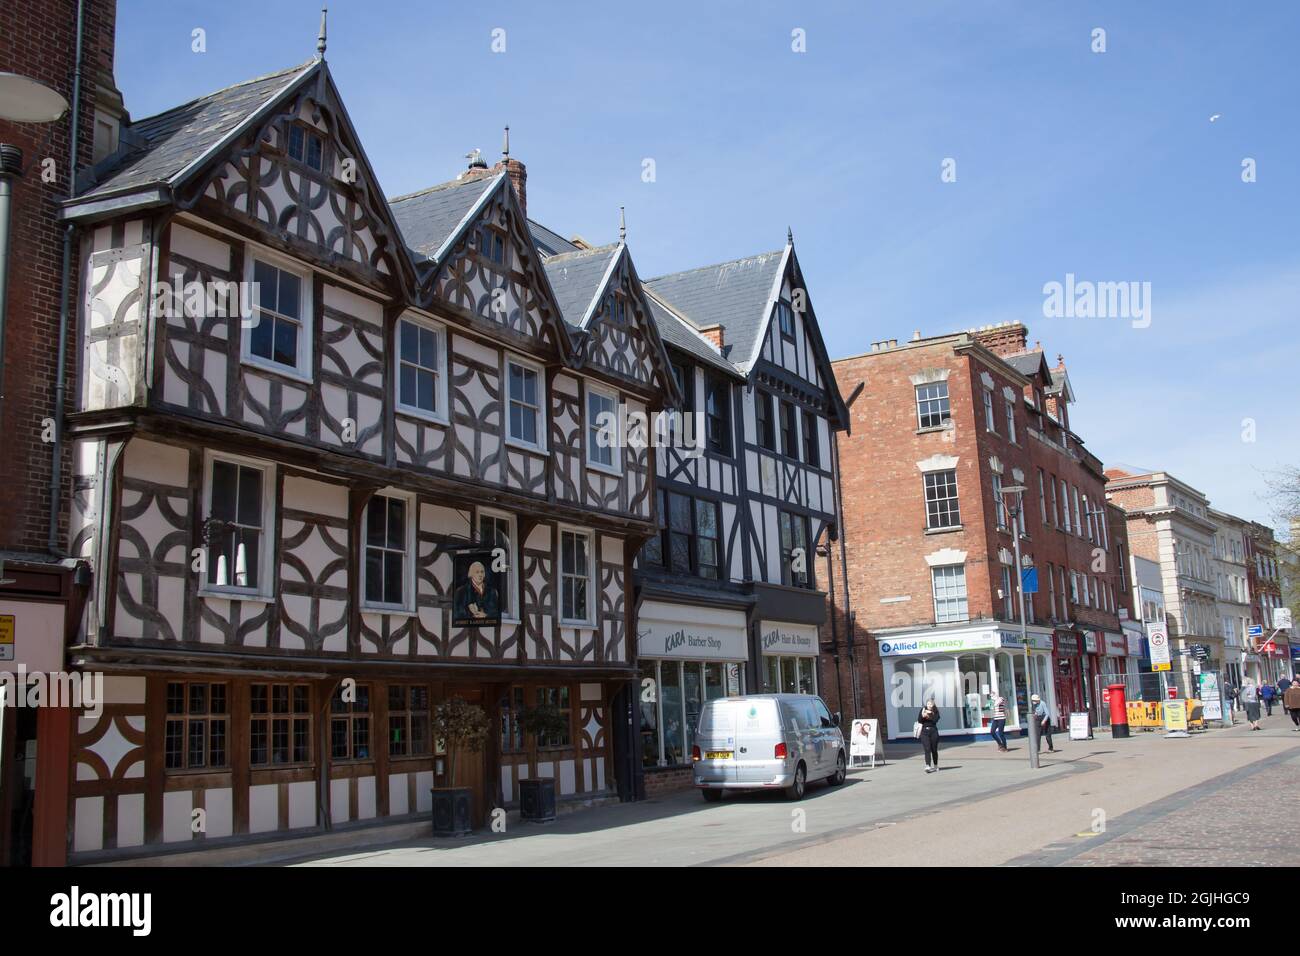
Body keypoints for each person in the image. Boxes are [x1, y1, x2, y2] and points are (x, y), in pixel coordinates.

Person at [917, 698, 941, 773]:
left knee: (934, 749)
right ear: (926, 704)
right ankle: (928, 766)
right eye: (928, 704)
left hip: (933, 731)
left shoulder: (936, 711)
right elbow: (919, 720)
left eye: (931, 704)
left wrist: (928, 715)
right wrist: (923, 715)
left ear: (933, 704)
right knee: (927, 749)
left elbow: (935, 720)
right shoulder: (923, 710)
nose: (929, 705)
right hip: (924, 732)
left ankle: (936, 765)